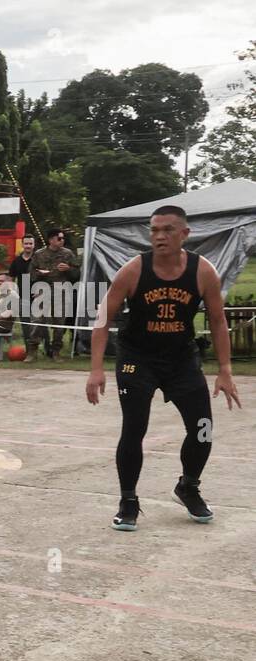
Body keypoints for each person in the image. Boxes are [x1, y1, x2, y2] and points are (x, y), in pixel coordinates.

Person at [84, 205, 241, 530]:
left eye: (167, 230)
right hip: (137, 359)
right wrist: (96, 368)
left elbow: (217, 319)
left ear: (184, 234)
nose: (159, 236)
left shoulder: (203, 271)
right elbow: (103, 317)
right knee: (134, 429)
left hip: (181, 359)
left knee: (203, 429)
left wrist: (224, 369)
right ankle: (128, 500)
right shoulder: (133, 270)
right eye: (154, 230)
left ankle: (188, 486)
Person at [28, 228, 80, 360]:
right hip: (43, 289)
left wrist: (68, 269)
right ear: (51, 240)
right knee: (37, 320)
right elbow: (31, 274)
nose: (62, 241)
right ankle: (32, 350)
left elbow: (77, 274)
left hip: (61, 290)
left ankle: (56, 351)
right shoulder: (39, 254)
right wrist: (40, 274)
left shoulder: (68, 254)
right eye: (59, 238)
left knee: (59, 323)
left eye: (63, 238)